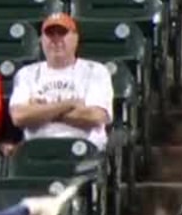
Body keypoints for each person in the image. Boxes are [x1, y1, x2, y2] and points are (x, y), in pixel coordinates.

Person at [8, 14, 115, 150]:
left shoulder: (95, 71)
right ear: (41, 40)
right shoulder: (26, 74)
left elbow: (95, 116)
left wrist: (41, 111)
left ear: (75, 38)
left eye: (62, 33)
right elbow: (19, 116)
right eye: (50, 34)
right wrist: (69, 104)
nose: (56, 39)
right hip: (37, 152)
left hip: (83, 150)